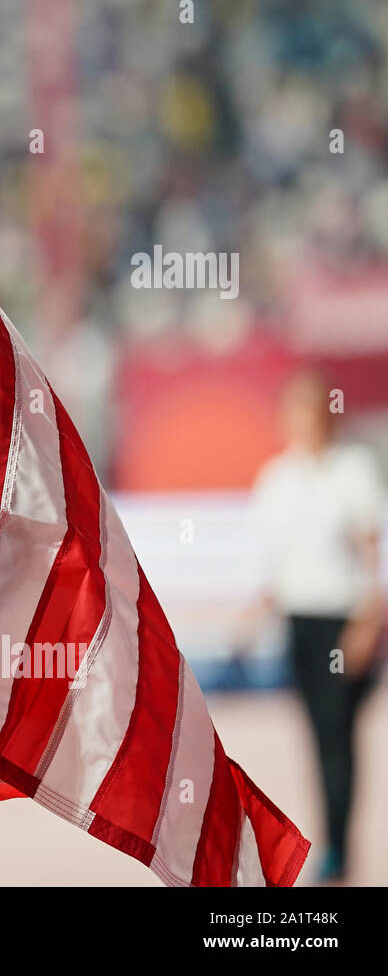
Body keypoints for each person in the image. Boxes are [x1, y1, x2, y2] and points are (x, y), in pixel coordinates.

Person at [246, 368, 385, 884]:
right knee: (317, 735)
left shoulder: (352, 470)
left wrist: (369, 620)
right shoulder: (276, 479)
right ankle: (332, 844)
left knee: (338, 735)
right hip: (300, 623)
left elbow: (370, 553)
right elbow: (279, 566)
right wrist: (253, 616)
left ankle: (339, 852)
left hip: (342, 620)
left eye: (310, 408)